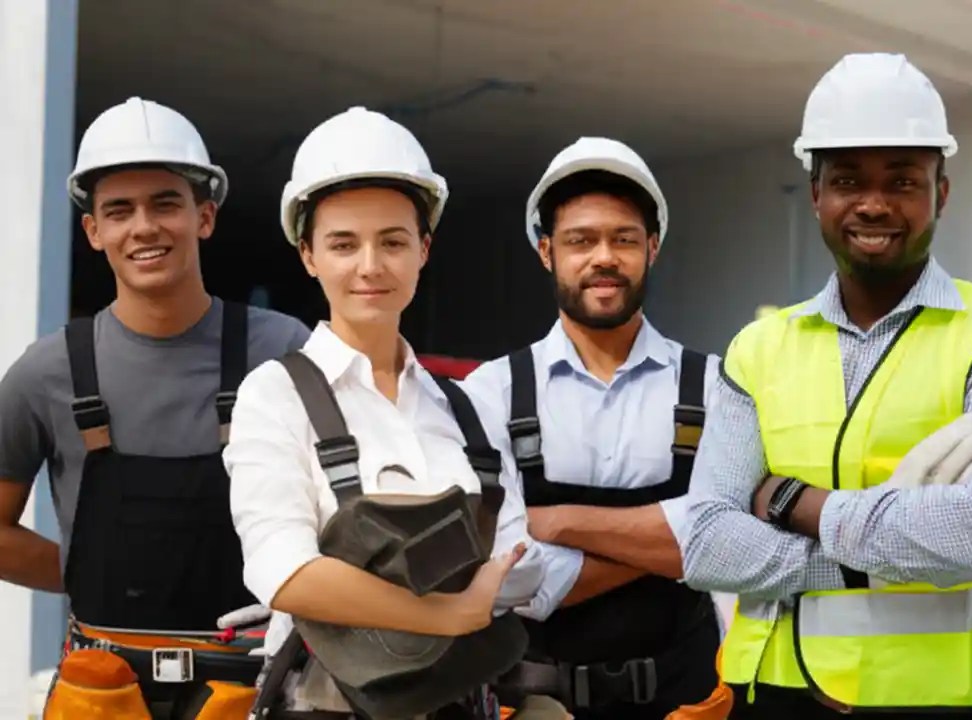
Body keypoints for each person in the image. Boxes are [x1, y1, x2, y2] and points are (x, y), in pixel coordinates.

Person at [679, 52, 972, 719]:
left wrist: (794, 501)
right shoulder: (759, 347)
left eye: (903, 180)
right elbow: (708, 543)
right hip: (774, 698)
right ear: (817, 193)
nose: (874, 203)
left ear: (940, 192)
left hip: (944, 703)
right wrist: (851, 567)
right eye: (849, 179)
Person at [222, 106, 553, 719]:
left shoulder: (468, 407)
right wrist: (447, 608)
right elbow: (284, 572)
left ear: (424, 250)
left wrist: (360, 584)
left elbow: (522, 567)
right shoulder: (275, 395)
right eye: (343, 244)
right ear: (308, 256)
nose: (370, 265)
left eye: (393, 241)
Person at [0, 96, 312, 718]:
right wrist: (91, 570)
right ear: (94, 232)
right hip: (103, 692)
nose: (144, 227)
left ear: (204, 216)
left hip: (256, 690)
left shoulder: (283, 351)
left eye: (165, 203)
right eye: (119, 210)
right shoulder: (47, 372)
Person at [461, 137, 722, 719]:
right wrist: (677, 544)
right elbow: (506, 576)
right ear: (546, 251)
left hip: (689, 703)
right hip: (533, 705)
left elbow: (734, 539)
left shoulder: (716, 388)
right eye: (581, 240)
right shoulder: (490, 394)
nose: (603, 257)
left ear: (652, 248)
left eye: (623, 239)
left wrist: (558, 522)